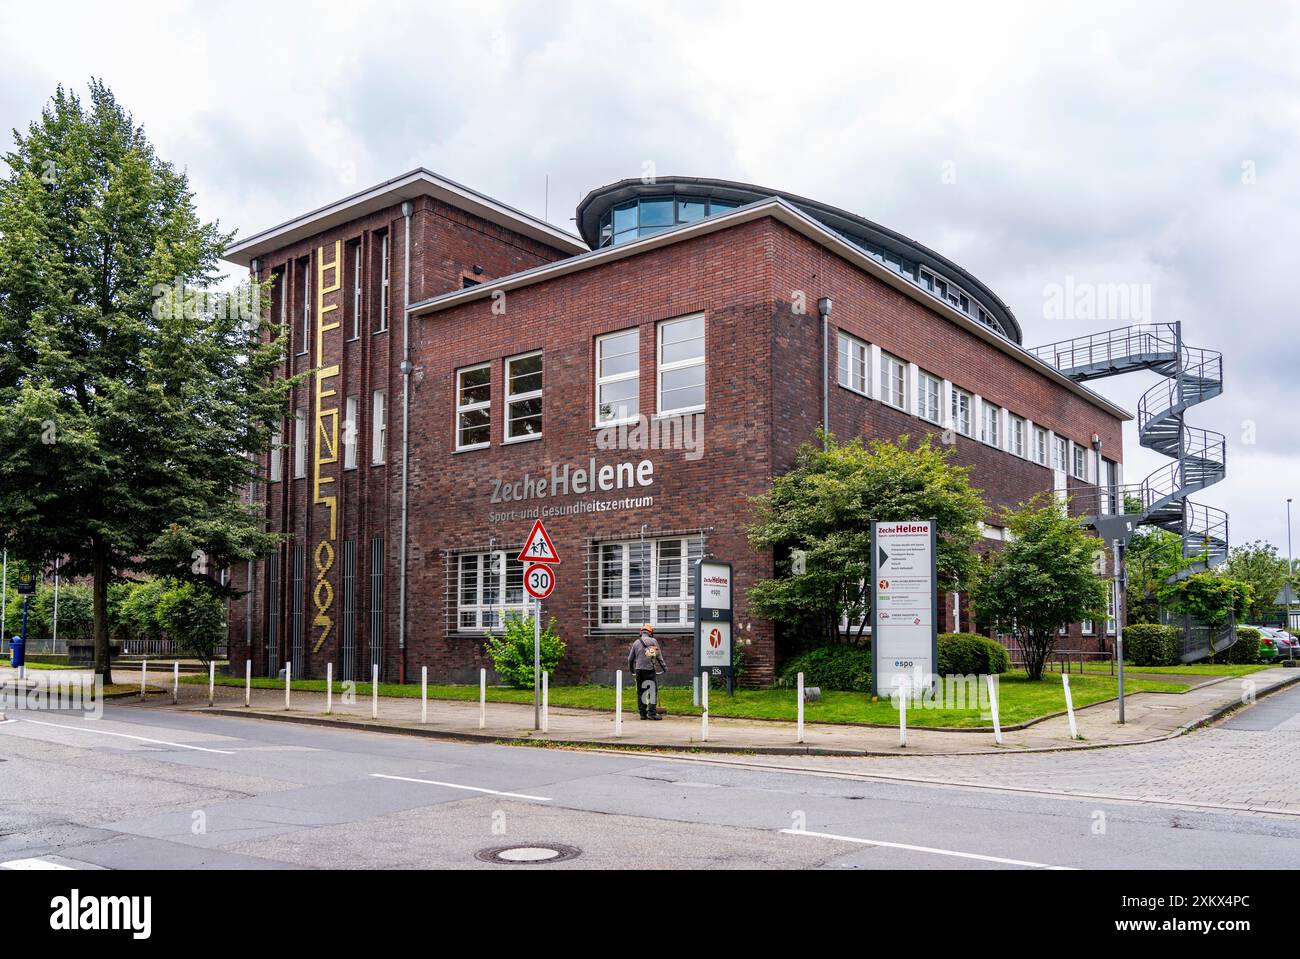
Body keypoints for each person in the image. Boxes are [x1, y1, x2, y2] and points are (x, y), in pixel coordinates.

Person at [627, 625, 666, 720]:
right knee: (652, 691)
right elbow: (659, 656)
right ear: (651, 633)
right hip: (650, 670)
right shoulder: (653, 641)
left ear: (641, 632)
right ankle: (652, 714)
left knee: (641, 692)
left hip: (639, 670)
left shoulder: (636, 643)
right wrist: (664, 667)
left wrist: (632, 670)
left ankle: (642, 714)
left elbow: (630, 659)